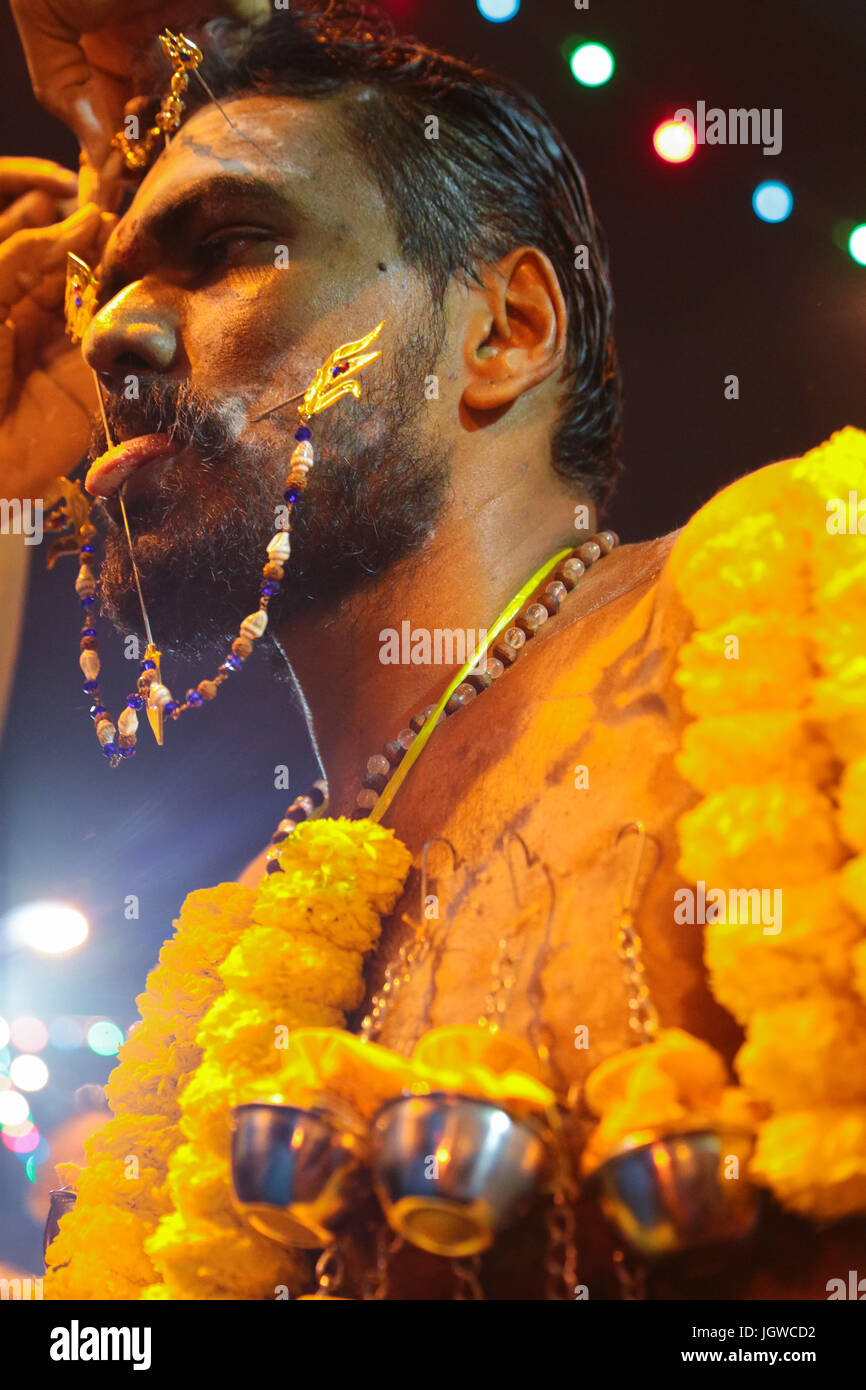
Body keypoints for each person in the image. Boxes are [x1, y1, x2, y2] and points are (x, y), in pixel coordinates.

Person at [4, 2, 864, 1300]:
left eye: (232, 244)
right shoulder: (240, 963)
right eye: (108, 289)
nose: (115, 336)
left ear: (507, 328)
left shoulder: (809, 613)